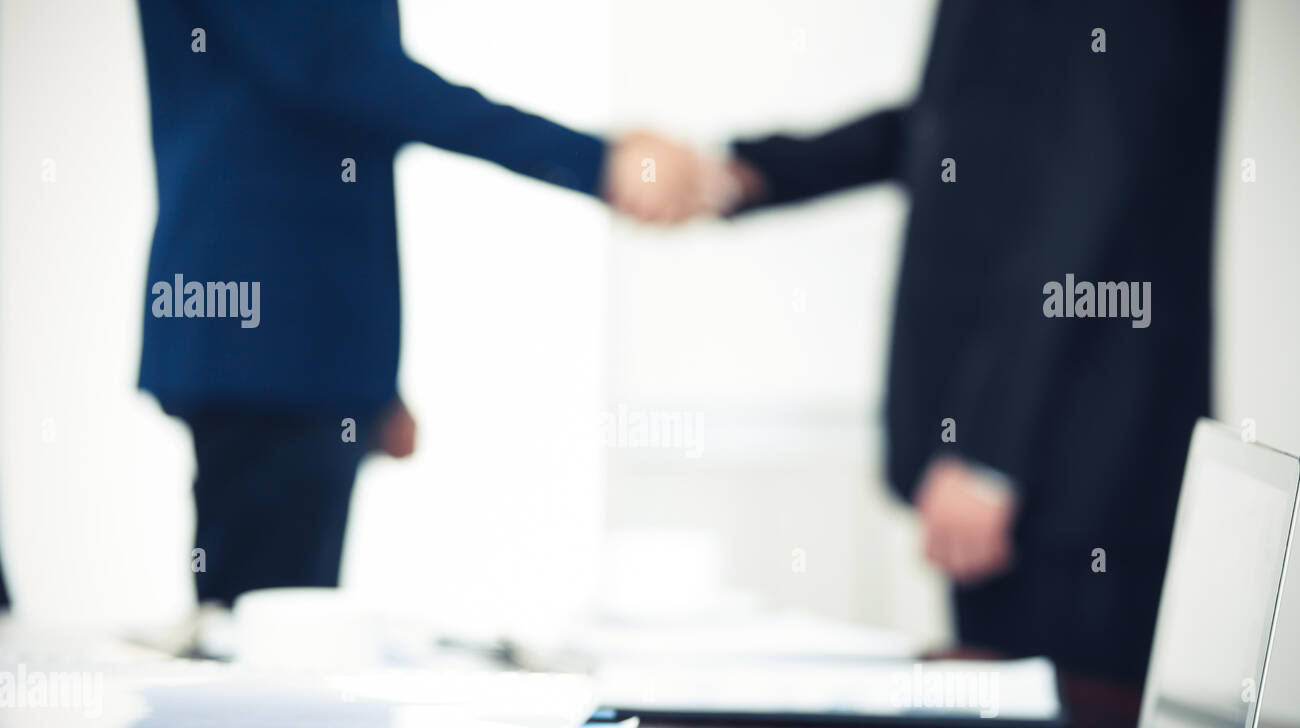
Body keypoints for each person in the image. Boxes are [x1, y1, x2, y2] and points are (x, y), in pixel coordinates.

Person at [136, 0, 717, 606]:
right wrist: (597, 161)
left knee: (281, 632)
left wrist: (366, 376)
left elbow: (330, 110)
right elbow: (342, 70)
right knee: (263, 646)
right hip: (264, 334)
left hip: (300, 346)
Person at [722, 0, 1230, 680]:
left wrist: (991, 451)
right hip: (1025, 464)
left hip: (1071, 464)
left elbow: (1093, 177)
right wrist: (751, 173)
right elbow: (970, 124)